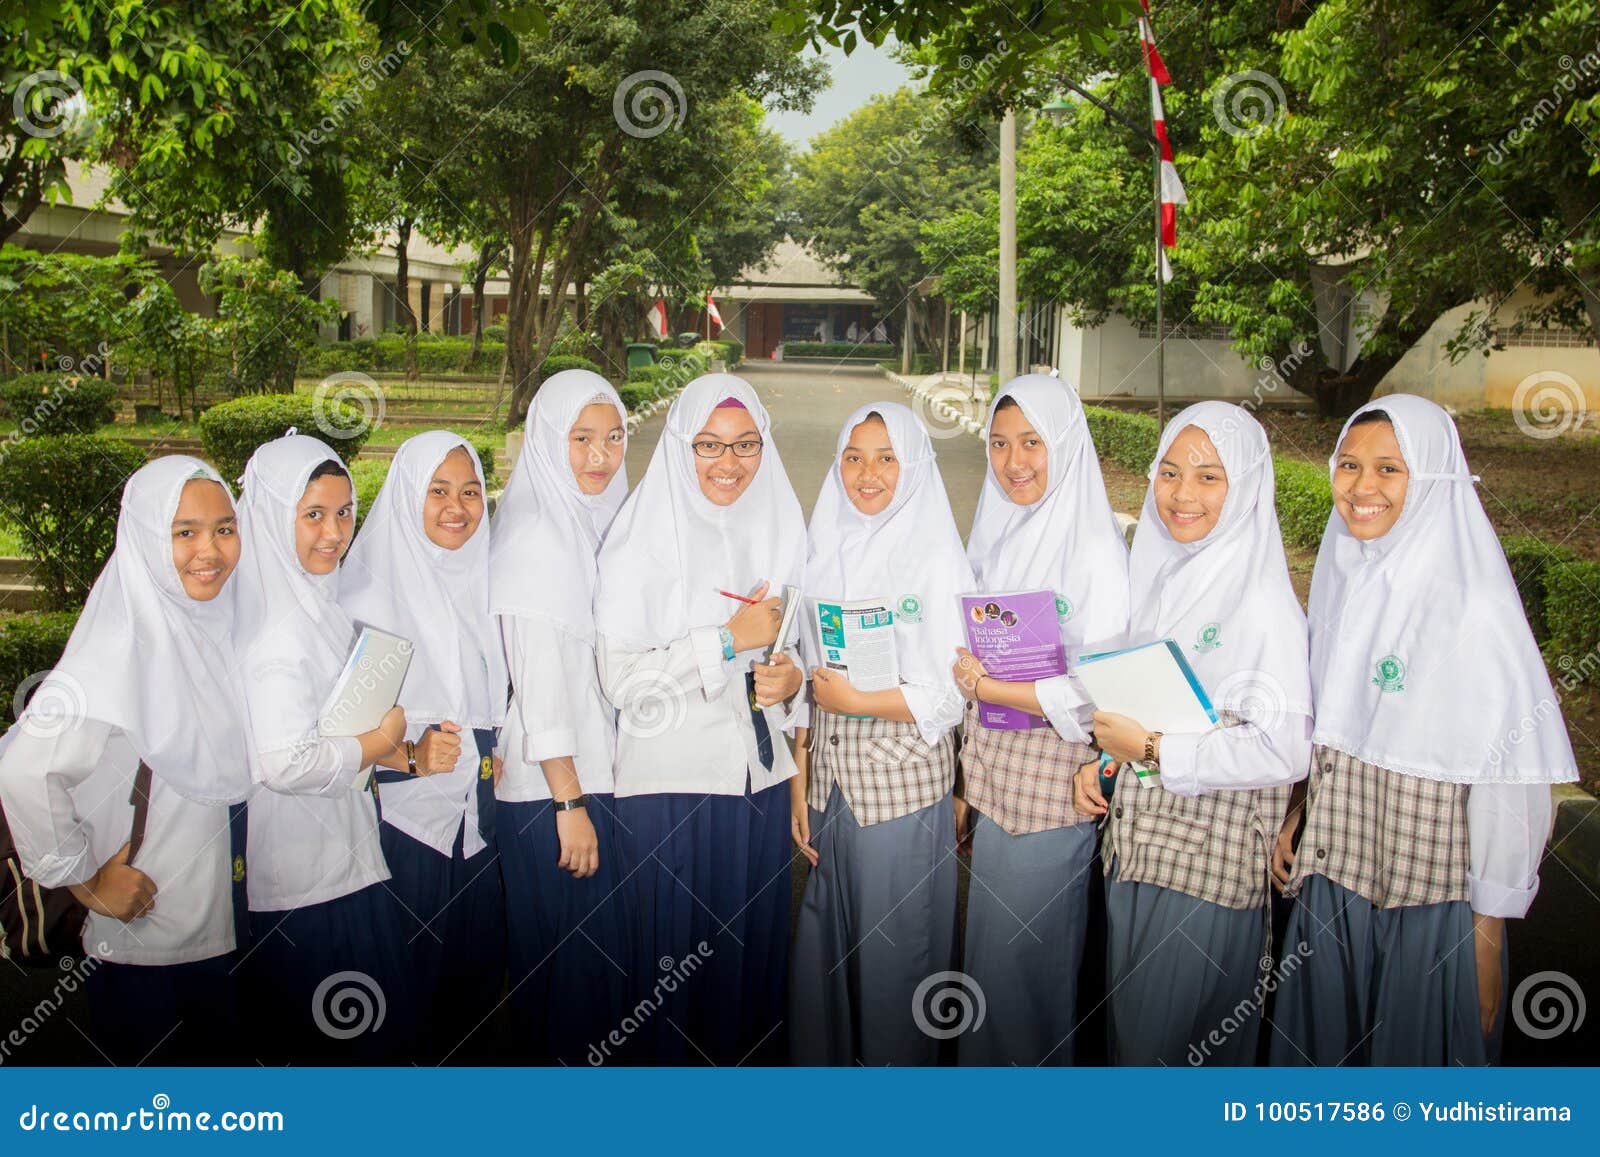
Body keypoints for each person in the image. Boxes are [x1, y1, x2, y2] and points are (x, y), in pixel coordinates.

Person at [1269, 395, 1577, 1066]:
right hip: (1336, 879)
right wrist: (1304, 811)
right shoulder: (1340, 573)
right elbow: (1333, 724)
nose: (1361, 486)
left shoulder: (1476, 606)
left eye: (1389, 468)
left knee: (1417, 1082)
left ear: (1435, 478)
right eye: (1348, 464)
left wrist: (1487, 936)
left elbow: (1508, 784)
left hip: (1431, 900)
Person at [1073, 402, 1312, 1066]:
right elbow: (1151, 705)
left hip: (1205, 877)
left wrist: (1153, 751)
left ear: (1246, 487)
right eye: (1171, 471)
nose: (1182, 494)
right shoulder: (1165, 577)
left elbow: (1284, 747)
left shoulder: (1261, 605)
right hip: (1143, 855)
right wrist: (1111, 765)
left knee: (1164, 1054)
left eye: (1210, 477)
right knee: (1136, 1044)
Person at [0, 457, 252, 1064]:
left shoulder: (217, 624)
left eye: (224, 528)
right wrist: (84, 879)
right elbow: (22, 770)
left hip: (219, 919)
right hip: (144, 934)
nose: (209, 550)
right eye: (183, 532)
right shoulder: (115, 653)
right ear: (142, 537)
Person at [594, 374, 805, 1065]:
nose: (729, 462)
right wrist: (725, 638)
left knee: (751, 968)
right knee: (673, 974)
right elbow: (622, 682)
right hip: (673, 791)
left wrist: (790, 675)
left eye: (746, 444)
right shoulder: (641, 540)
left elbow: (798, 644)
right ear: (682, 446)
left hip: (758, 784)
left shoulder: (778, 520)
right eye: (709, 444)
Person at [947, 375, 1130, 1065]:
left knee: (1028, 973)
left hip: (1054, 788)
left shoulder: (1095, 552)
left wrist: (993, 682)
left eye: (1032, 442)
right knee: (995, 964)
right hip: (996, 777)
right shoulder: (999, 532)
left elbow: (1096, 692)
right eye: (999, 442)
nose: (1014, 460)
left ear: (1065, 447)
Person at [788, 402, 972, 1065]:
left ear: (914, 465)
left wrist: (862, 699)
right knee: (829, 957)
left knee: (897, 962)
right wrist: (801, 776)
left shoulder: (935, 557)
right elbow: (810, 675)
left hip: (899, 791)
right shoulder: (824, 541)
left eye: (886, 458)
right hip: (833, 785)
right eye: (854, 456)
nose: (867, 474)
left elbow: (954, 693)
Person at [234, 434, 416, 1064]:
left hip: (341, 857)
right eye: (311, 515)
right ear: (269, 515)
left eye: (344, 513)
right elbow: (284, 762)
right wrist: (377, 741)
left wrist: (379, 746)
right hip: (307, 881)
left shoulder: (311, 601)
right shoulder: (274, 628)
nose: (334, 533)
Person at [339, 431, 508, 1064]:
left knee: (473, 987)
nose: (457, 508)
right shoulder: (369, 595)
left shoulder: (491, 582)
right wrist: (406, 754)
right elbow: (335, 735)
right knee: (398, 991)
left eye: (470, 491)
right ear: (408, 498)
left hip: (480, 821)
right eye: (437, 491)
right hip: (402, 826)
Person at [490, 370, 637, 1065]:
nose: (599, 457)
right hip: (553, 789)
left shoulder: (597, 520)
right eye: (580, 439)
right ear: (549, 441)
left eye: (612, 438)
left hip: (591, 775)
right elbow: (541, 682)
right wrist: (568, 798)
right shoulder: (537, 538)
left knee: (586, 973)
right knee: (568, 975)